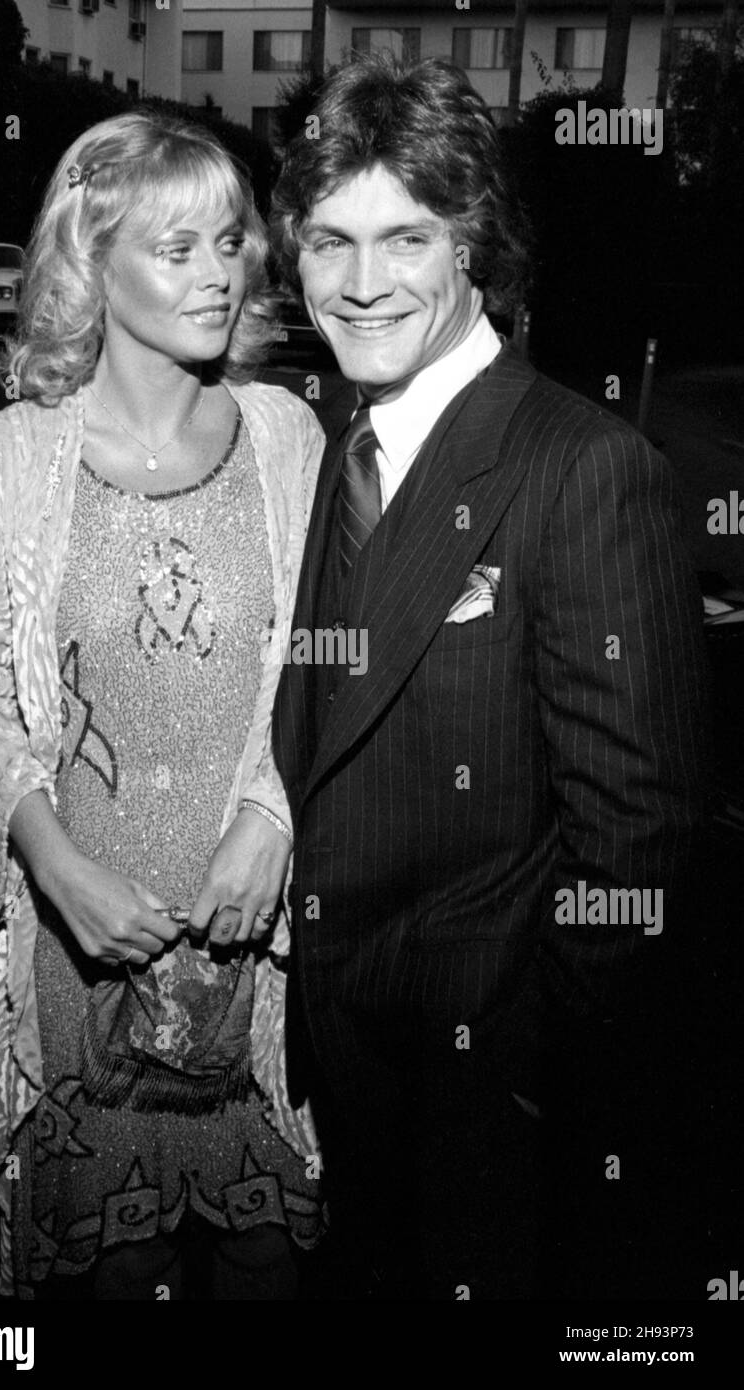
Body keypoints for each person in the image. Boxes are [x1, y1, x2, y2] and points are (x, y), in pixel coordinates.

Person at [270, 55, 710, 1299]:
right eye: (328, 240)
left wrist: (524, 1068)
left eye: (405, 237)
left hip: (483, 1110)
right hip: (342, 1071)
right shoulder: (334, 442)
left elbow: (638, 843)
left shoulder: (583, 467)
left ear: (473, 244)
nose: (360, 285)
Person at [0, 111, 325, 1300]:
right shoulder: (8, 457)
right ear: (90, 262)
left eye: (230, 240)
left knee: (270, 1256)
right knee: (114, 1266)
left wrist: (275, 815)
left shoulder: (286, 435)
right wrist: (55, 868)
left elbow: (325, 666)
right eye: (177, 247)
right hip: (80, 958)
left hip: (261, 958)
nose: (221, 271)